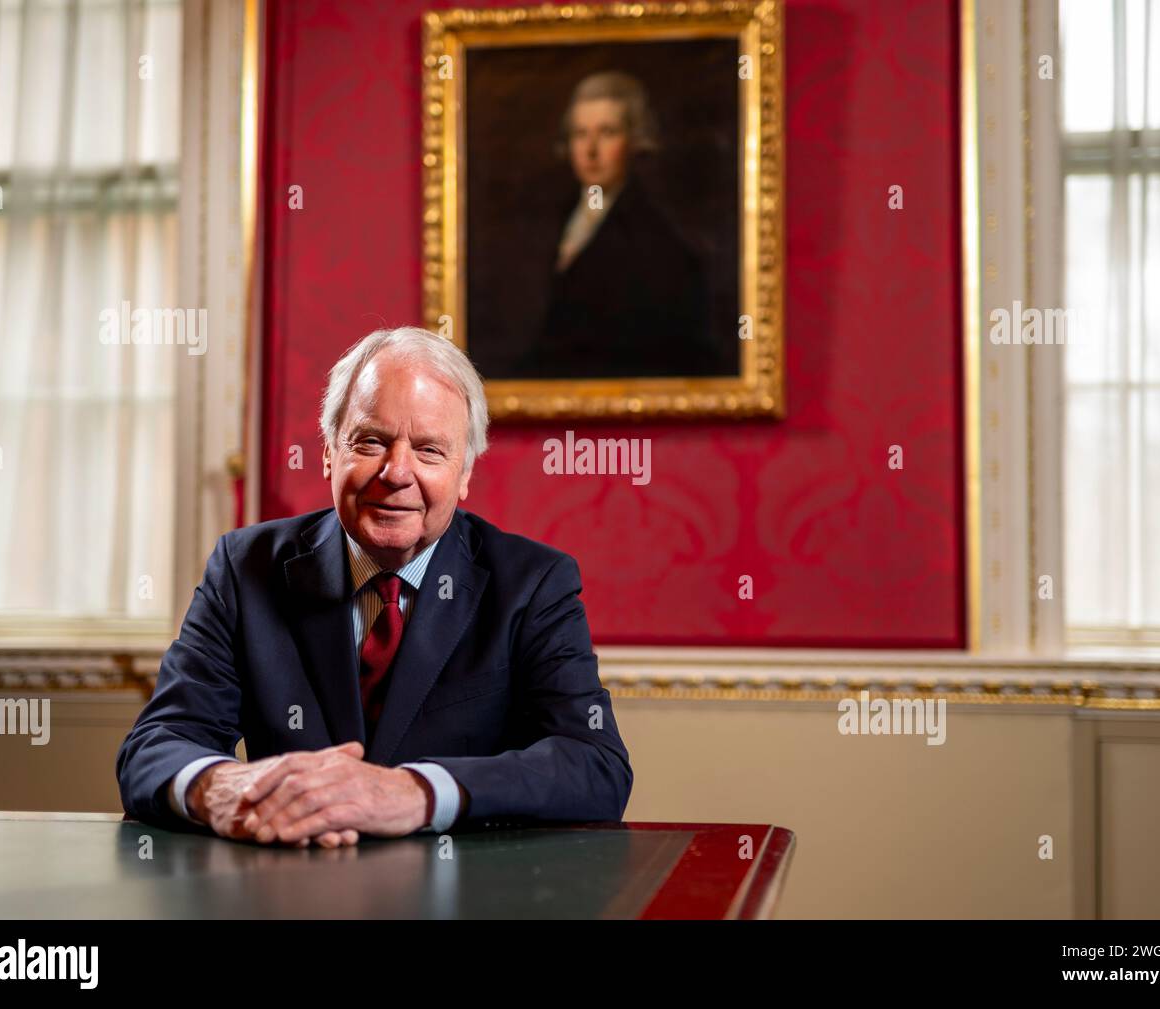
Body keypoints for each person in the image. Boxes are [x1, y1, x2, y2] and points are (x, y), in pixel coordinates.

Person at [116, 326, 633, 847]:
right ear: (327, 453)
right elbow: (156, 746)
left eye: (430, 450)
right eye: (371, 441)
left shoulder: (532, 583)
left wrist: (414, 793)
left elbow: (594, 764)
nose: (396, 472)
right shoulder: (244, 568)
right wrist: (220, 786)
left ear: (465, 473)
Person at [514, 71, 718, 379]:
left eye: (607, 132)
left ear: (635, 141)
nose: (591, 150)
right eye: (580, 134)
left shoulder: (657, 242)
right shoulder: (555, 215)